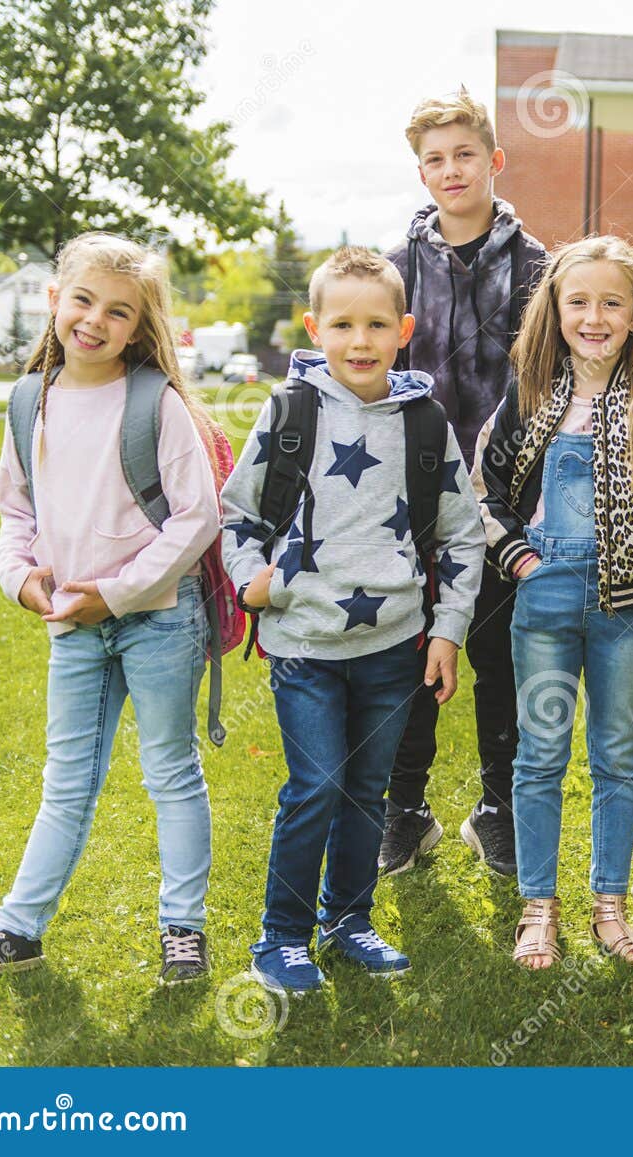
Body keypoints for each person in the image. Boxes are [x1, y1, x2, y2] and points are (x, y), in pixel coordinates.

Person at [0, 233, 220, 991]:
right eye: (84, 300)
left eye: (118, 311)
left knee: (170, 770)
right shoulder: (31, 399)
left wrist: (118, 591)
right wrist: (19, 580)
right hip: (72, 625)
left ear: (139, 326)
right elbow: (14, 512)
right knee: (66, 781)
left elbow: (197, 520)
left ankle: (183, 929)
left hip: (158, 619)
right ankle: (17, 930)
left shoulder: (155, 402)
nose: (95, 321)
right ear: (55, 298)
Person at [222, 247, 485, 994]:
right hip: (303, 644)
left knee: (368, 789)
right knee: (317, 784)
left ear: (404, 329)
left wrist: (446, 629)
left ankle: (348, 918)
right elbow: (237, 514)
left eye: (377, 324)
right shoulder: (289, 409)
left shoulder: (426, 422)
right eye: (342, 324)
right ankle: (281, 936)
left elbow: (465, 534)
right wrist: (253, 582)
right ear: (314, 327)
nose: (360, 341)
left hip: (394, 646)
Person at [474, 236, 633, 969]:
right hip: (547, 597)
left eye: (612, 303)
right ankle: (539, 906)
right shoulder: (531, 394)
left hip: (630, 607)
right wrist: (523, 561)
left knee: (616, 756)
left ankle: (610, 905)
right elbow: (486, 493)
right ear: (556, 309)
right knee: (538, 754)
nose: (594, 316)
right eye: (579, 302)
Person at [380, 90, 548, 879]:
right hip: (409, 500)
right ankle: (404, 811)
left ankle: (498, 809)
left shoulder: (537, 266)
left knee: (499, 656)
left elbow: (552, 380)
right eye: (435, 160)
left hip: (506, 501)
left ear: (494, 161)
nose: (451, 171)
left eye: (465, 156)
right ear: (421, 172)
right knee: (412, 653)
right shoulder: (395, 270)